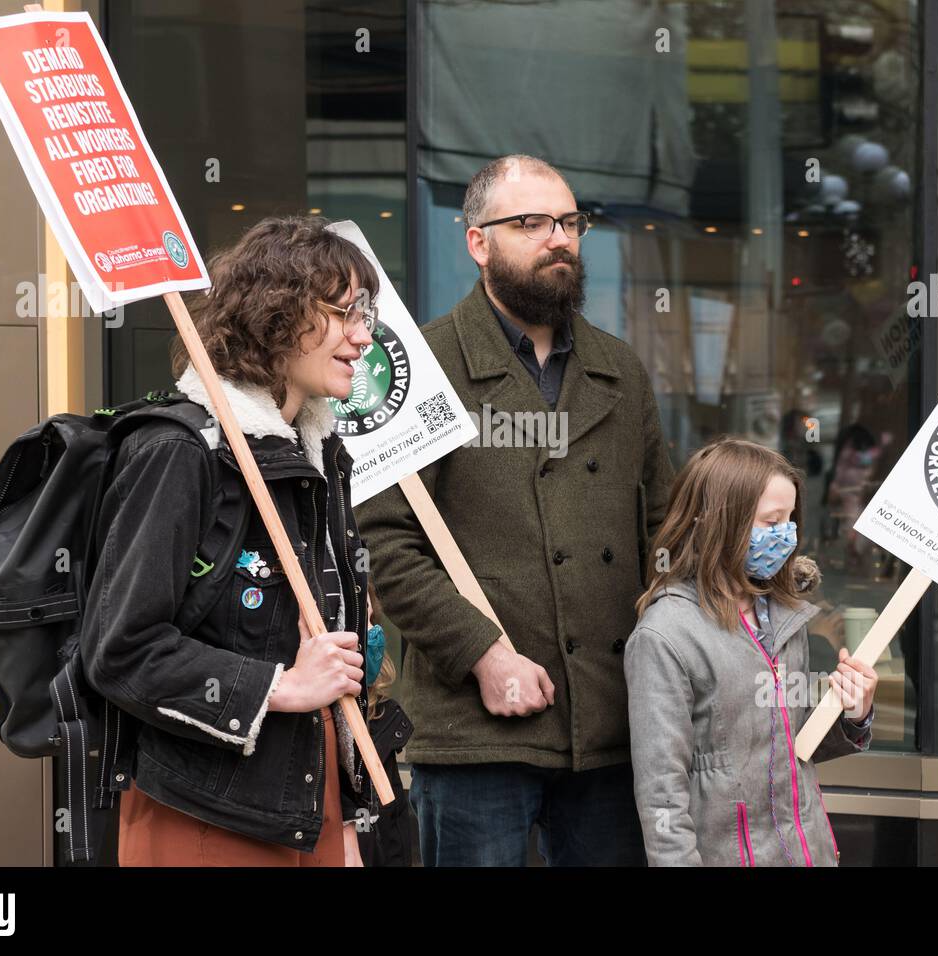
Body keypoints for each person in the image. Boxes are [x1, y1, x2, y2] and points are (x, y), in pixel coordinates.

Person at [355, 154, 675, 866]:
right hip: (476, 731)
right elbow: (384, 542)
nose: (559, 238)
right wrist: (483, 655)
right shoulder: (423, 368)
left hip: (611, 730)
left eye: (570, 222)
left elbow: (666, 532)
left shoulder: (619, 370)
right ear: (478, 242)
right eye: (531, 222)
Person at [80, 215, 376, 866]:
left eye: (366, 314)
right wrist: (278, 687)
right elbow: (120, 650)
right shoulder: (180, 452)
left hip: (305, 801)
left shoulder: (323, 454)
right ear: (278, 317)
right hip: (203, 819)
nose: (362, 338)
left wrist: (346, 818)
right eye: (344, 313)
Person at [625, 438, 877, 866]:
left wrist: (854, 714)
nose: (786, 535)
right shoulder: (665, 636)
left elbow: (793, 749)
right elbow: (661, 795)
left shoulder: (784, 617)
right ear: (719, 522)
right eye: (770, 520)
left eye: (790, 519)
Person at [354, 582, 415, 866]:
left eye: (371, 618)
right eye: (358, 618)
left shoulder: (384, 720)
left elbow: (394, 841)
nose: (371, 632)